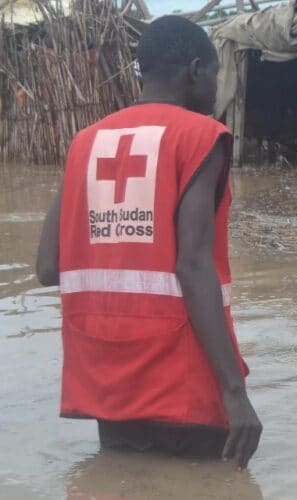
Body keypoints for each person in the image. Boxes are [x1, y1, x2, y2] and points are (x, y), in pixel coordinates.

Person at [35, 16, 261, 468]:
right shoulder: (201, 136)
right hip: (184, 378)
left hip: (107, 382)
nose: (218, 87)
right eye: (216, 73)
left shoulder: (85, 142)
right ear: (195, 69)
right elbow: (192, 266)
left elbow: (47, 267)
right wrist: (235, 391)